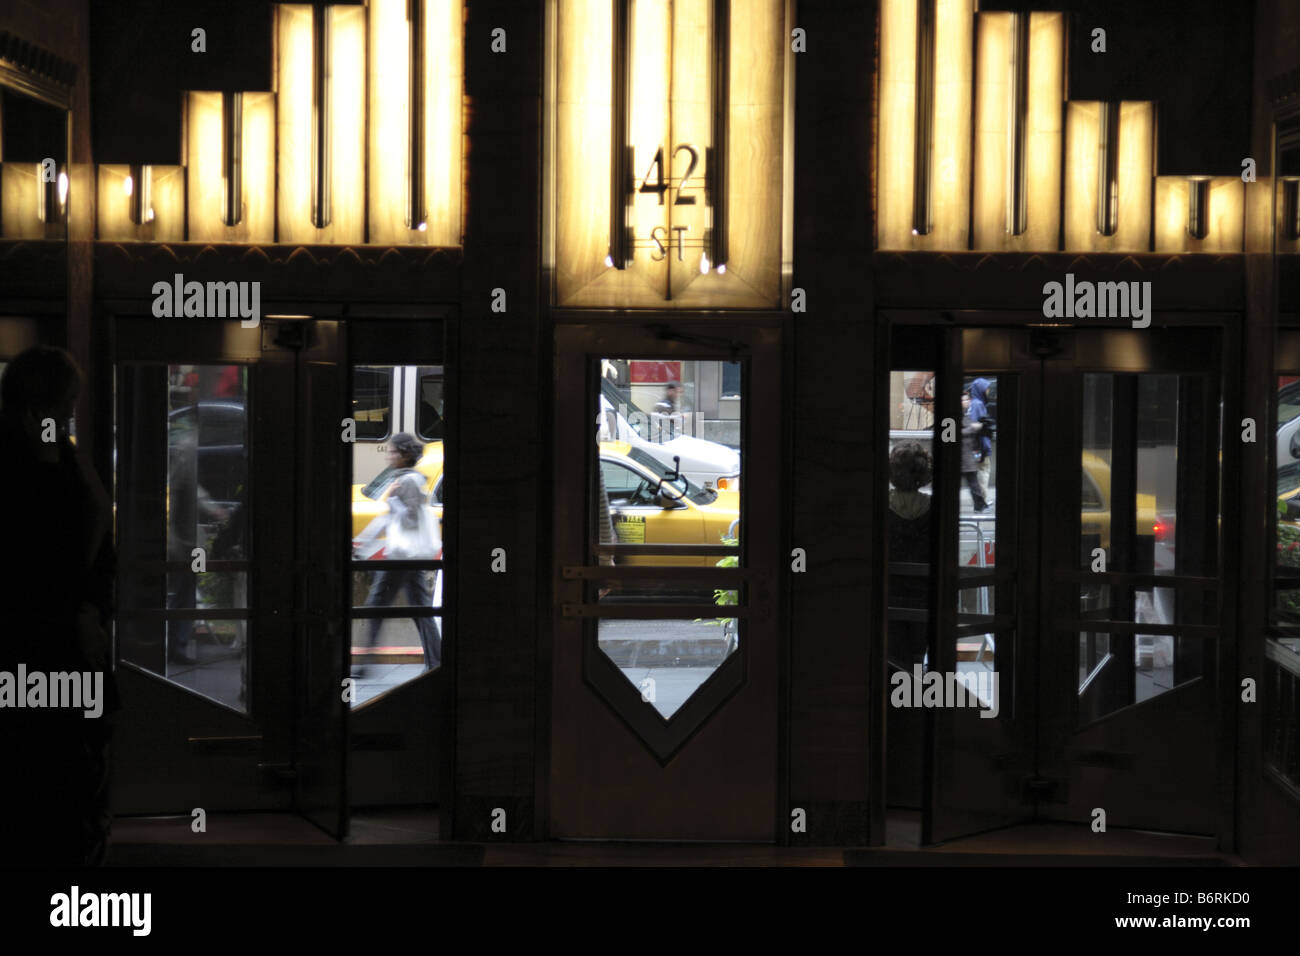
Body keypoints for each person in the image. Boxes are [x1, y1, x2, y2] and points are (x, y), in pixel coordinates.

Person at [0, 346, 120, 865]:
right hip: (44, 650)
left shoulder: (64, 462)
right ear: (34, 412)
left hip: (56, 649)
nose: (69, 421)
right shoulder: (51, 471)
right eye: (64, 409)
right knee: (55, 791)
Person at [357, 433, 441, 673]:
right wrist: (365, 543)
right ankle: (436, 662)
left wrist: (393, 498)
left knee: (378, 606)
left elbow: (410, 519)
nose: (389, 456)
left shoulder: (410, 481)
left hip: (403, 556)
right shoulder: (402, 478)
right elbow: (388, 518)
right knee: (419, 609)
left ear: (405, 455)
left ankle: (364, 665)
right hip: (405, 556)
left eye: (393, 451)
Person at [887, 442, 933, 668]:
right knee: (916, 660)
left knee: (894, 661)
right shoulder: (933, 508)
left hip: (889, 593)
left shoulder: (880, 505)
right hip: (924, 597)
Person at [961, 388, 989, 513]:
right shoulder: (950, 418)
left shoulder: (967, 415)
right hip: (960, 458)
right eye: (963, 400)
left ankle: (980, 505)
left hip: (968, 456)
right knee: (973, 483)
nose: (967, 402)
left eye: (967, 399)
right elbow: (948, 438)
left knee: (974, 483)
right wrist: (972, 428)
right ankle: (980, 505)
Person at [968, 377, 995, 503]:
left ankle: (981, 500)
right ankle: (982, 500)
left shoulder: (976, 403)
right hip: (980, 446)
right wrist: (985, 425)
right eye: (986, 388)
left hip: (978, 446)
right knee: (983, 470)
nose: (988, 391)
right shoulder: (977, 404)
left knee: (981, 470)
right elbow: (974, 426)